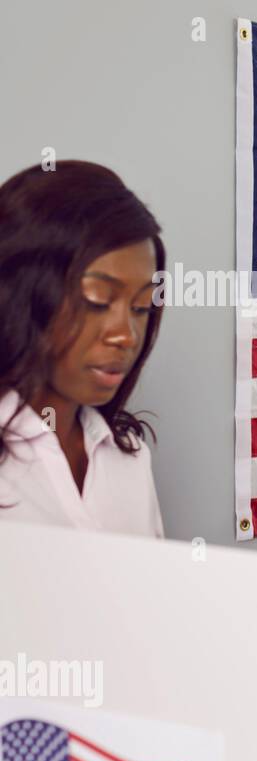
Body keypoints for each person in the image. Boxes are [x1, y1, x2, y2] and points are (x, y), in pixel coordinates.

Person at [0, 161, 167, 536]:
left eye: (141, 308)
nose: (126, 336)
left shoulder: (131, 456)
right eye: (98, 299)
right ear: (22, 293)